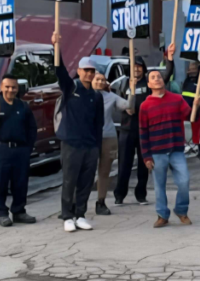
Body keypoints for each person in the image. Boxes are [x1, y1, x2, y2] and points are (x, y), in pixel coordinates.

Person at [52, 32, 105, 233]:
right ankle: (67, 215)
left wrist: (97, 148)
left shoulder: (96, 96)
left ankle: (80, 214)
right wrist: (56, 47)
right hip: (71, 144)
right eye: (86, 70)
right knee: (69, 180)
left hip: (90, 145)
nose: (89, 74)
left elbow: (98, 123)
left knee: (85, 182)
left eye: (92, 71)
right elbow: (59, 70)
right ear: (79, 71)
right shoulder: (70, 87)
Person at [113, 47, 174, 206]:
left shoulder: (149, 84)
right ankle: (119, 195)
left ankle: (141, 194)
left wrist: (170, 60)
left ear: (143, 69)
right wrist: (125, 107)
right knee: (124, 164)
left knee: (143, 164)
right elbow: (116, 102)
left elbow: (166, 76)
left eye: (139, 68)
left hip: (144, 131)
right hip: (126, 130)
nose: (136, 70)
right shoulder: (124, 83)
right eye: (134, 67)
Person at [0, 74, 38, 226]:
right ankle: (2, 213)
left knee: (21, 183)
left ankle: (19, 211)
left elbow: (32, 129)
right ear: (1, 87)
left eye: (14, 87)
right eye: (7, 87)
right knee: (0, 183)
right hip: (1, 149)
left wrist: (28, 149)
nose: (10, 90)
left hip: (20, 150)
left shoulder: (23, 106)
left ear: (17, 89)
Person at [139, 69, 192, 228]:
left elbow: (190, 116)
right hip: (157, 152)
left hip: (176, 149)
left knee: (184, 181)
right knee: (159, 185)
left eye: (159, 77)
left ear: (164, 80)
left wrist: (196, 105)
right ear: (149, 84)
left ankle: (181, 210)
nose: (157, 79)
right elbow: (143, 132)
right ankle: (162, 215)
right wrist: (146, 156)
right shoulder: (145, 105)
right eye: (153, 77)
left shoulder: (177, 99)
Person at [93, 70, 128, 215]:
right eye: (97, 79)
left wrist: (131, 91)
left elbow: (127, 105)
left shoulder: (111, 96)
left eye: (103, 79)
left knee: (104, 172)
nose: (100, 82)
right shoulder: (83, 96)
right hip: (89, 138)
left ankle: (101, 202)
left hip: (108, 137)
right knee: (85, 171)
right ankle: (75, 203)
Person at [179, 60, 200, 155]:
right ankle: (187, 145)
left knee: (199, 131)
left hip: (198, 112)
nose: (192, 71)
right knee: (186, 130)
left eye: (194, 69)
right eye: (190, 69)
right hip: (186, 112)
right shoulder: (185, 82)